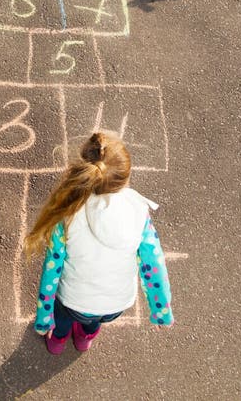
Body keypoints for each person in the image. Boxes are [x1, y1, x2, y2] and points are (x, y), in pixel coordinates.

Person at [24, 131, 174, 355]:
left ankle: (57, 341)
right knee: (94, 319)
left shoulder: (69, 215)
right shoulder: (139, 212)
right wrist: (161, 311)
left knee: (63, 317)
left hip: (72, 300)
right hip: (116, 304)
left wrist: (44, 318)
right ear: (125, 178)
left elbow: (52, 270)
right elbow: (153, 266)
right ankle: (85, 339)